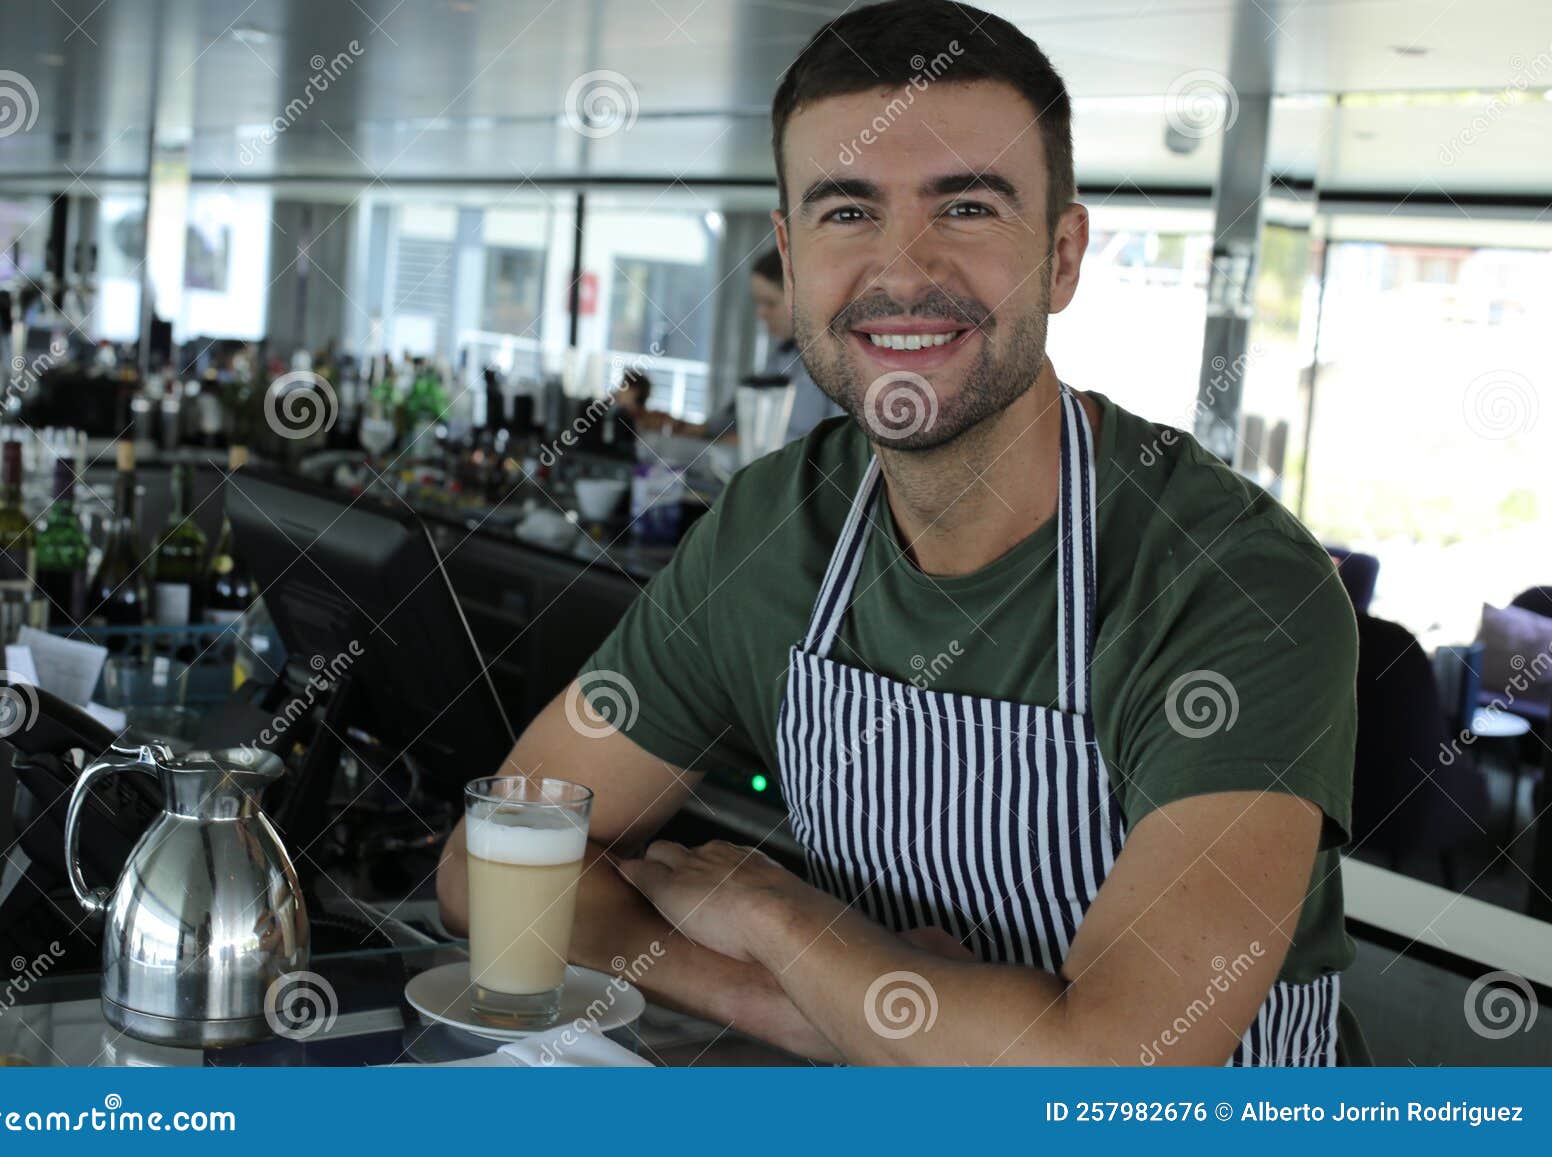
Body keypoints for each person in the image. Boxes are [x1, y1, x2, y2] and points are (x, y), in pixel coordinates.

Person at [438, 0, 1365, 1066]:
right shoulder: (770, 527)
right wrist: (802, 999)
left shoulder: (1233, 584)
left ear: (1062, 256)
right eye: (846, 212)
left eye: (966, 207)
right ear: (787, 261)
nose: (901, 268)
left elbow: (1110, 1069)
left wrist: (784, 921)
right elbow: (492, 869)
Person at [750, 248, 845, 441]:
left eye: (770, 303)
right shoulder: (783, 355)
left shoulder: (839, 362)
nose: (761, 314)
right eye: (758, 303)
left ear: (802, 297)